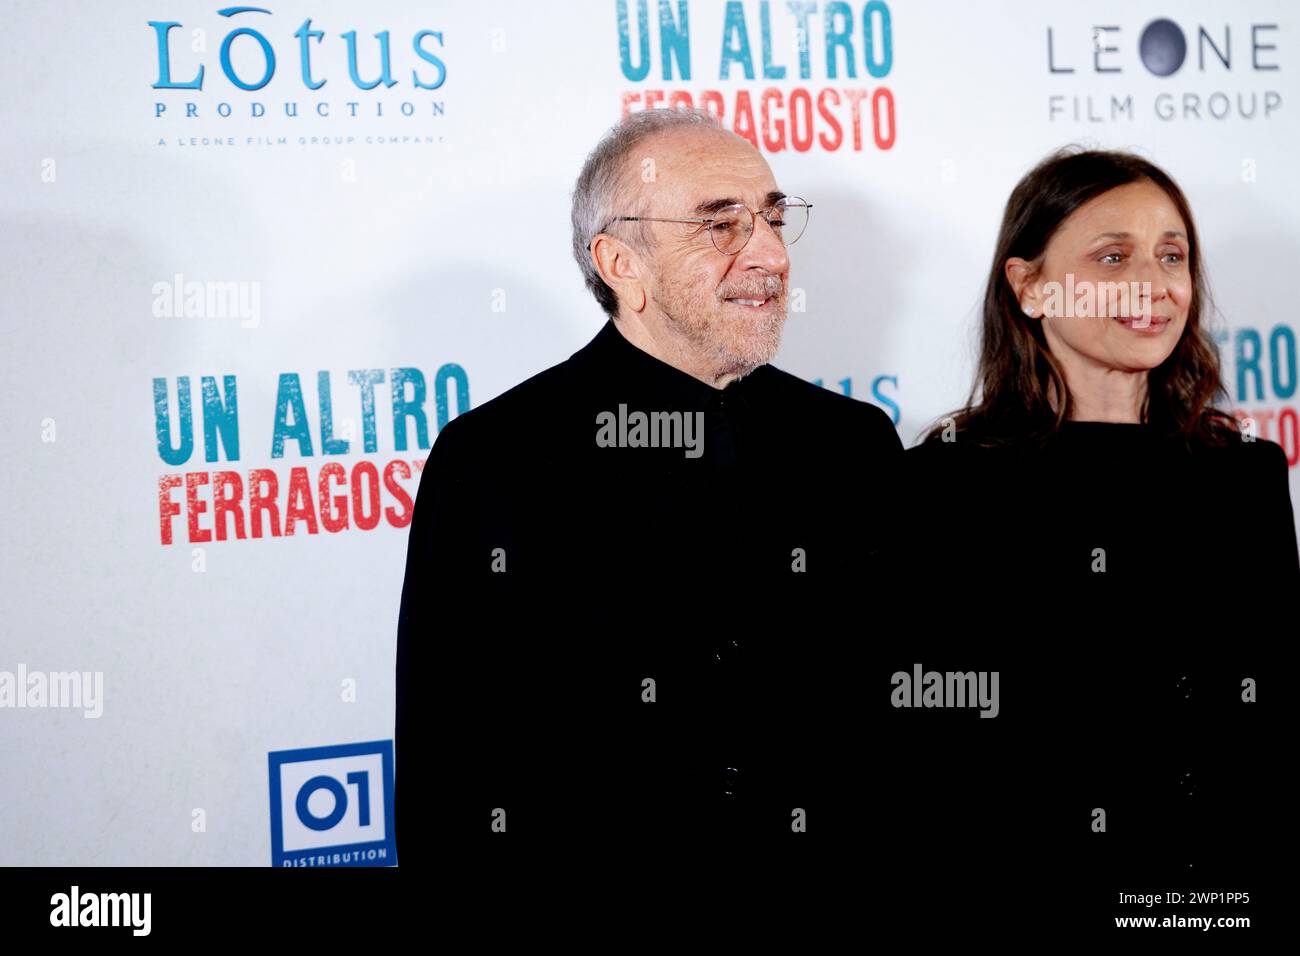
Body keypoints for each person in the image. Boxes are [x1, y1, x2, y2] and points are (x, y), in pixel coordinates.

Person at [393, 107, 902, 864]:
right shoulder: (495, 460)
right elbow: (451, 765)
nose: (769, 254)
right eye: (718, 224)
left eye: (771, 217)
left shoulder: (851, 442)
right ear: (620, 263)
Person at [892, 147, 1295, 897]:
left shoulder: (1243, 475)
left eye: (1171, 256)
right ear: (1031, 287)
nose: (1155, 285)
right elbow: (925, 741)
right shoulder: (945, 482)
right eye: (1113, 258)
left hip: (1213, 896)